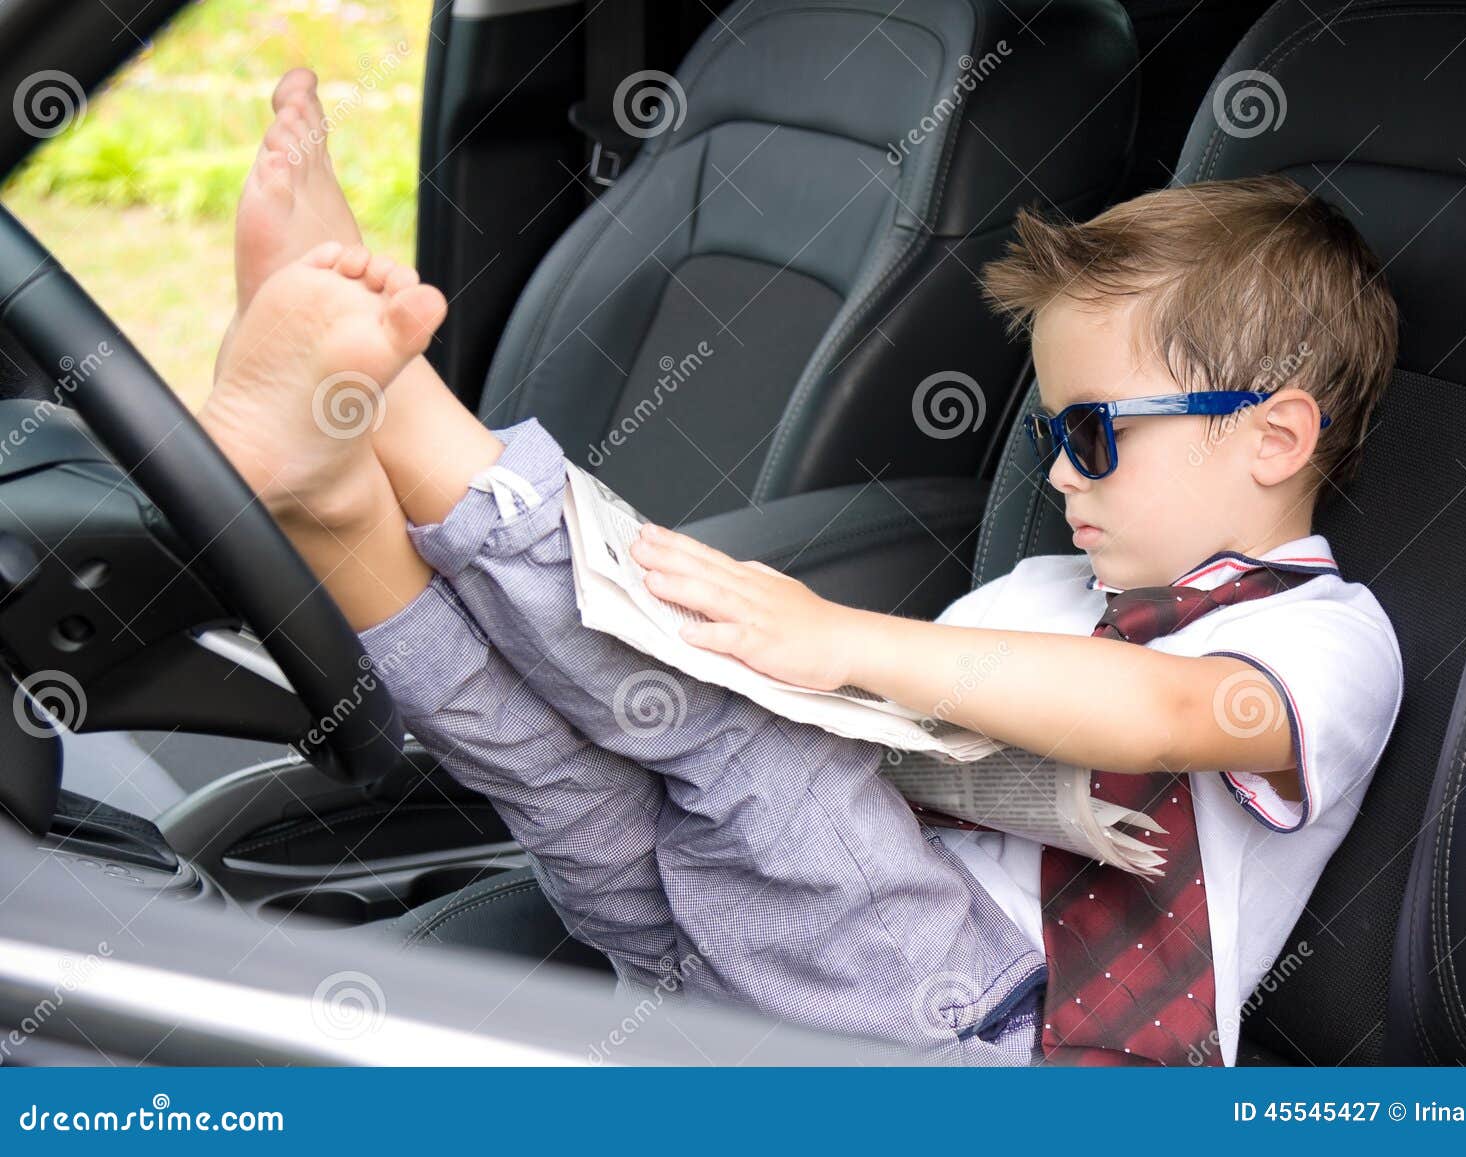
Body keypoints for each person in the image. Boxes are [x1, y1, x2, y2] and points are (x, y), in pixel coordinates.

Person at [200, 69, 1404, 1065]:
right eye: (1046, 436)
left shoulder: (1326, 637)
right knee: (567, 779)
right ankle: (336, 514)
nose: (1058, 477)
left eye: (1091, 433)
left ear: (1275, 435)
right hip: (753, 975)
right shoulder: (1040, 598)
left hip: (1002, 1039)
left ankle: (396, 403)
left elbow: (1173, 710)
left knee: (735, 727)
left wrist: (833, 640)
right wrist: (832, 681)